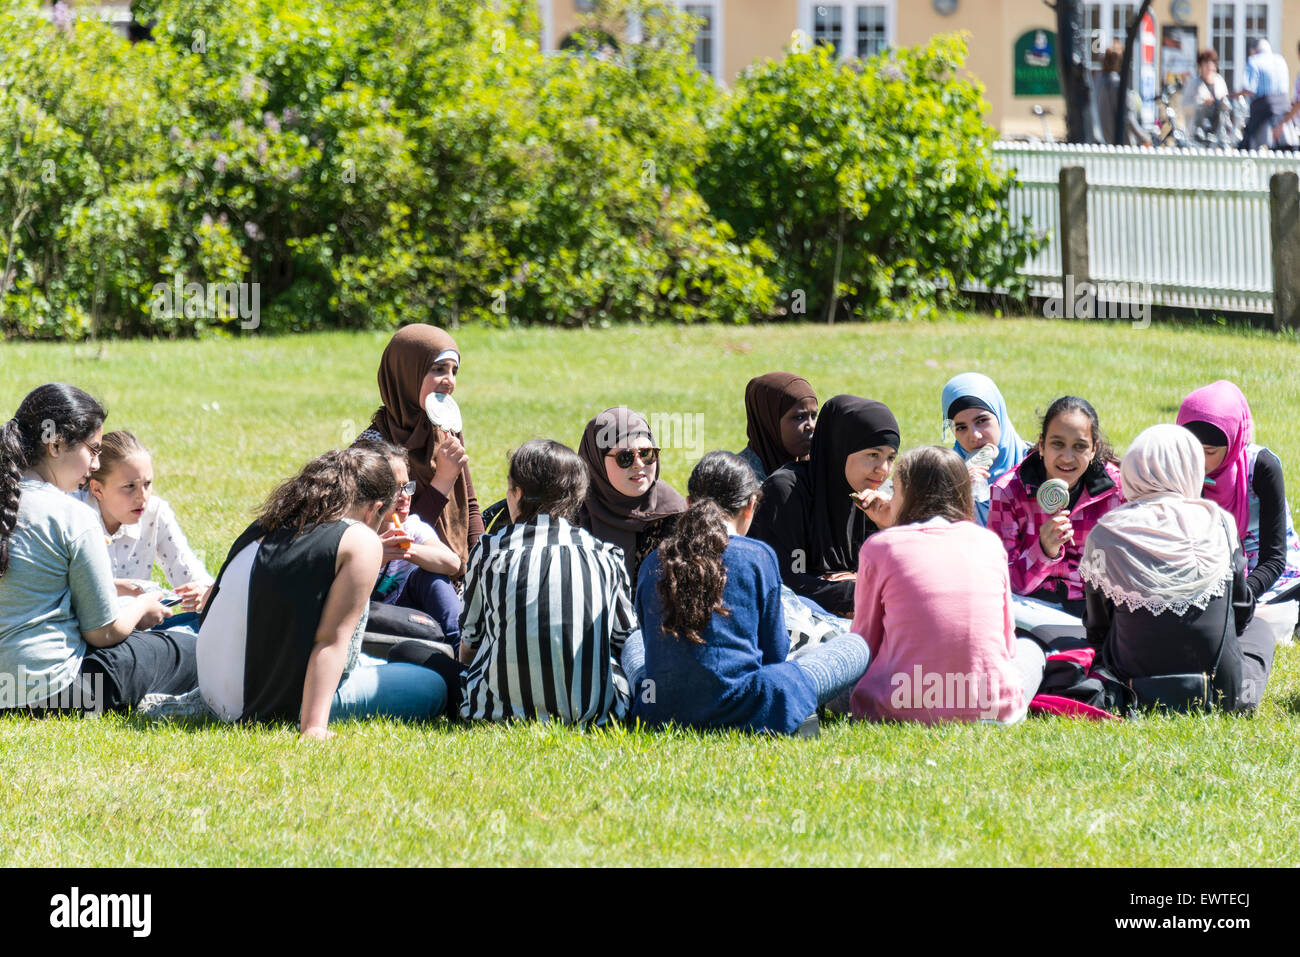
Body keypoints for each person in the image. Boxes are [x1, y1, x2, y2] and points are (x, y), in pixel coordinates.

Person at [197, 447, 450, 738]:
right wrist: (314, 728)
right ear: (373, 508)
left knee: (381, 664)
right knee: (430, 685)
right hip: (264, 703)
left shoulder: (270, 523)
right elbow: (331, 641)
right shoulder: (361, 540)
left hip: (212, 688)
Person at [625, 452, 870, 735]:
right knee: (856, 646)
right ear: (751, 505)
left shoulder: (654, 560)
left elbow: (649, 641)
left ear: (689, 504)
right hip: (746, 708)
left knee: (633, 641)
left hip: (659, 711)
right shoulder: (757, 556)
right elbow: (775, 653)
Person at [0, 384, 195, 713]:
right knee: (182, 649)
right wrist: (143, 606)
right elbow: (104, 632)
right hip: (53, 692)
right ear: (56, 444)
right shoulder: (72, 515)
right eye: (92, 450)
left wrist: (113, 588)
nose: (95, 464)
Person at [1080, 425, 1274, 711]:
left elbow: (1097, 627)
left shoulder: (1104, 534)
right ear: (1191, 468)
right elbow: (1241, 609)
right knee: (1260, 630)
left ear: (1132, 470)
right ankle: (1243, 700)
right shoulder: (1219, 523)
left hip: (1127, 687)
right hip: (1219, 688)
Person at [849, 446, 1045, 724]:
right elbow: (1006, 643)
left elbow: (863, 642)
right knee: (1032, 650)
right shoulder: (988, 543)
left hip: (898, 703)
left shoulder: (879, 547)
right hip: (990, 705)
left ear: (908, 493)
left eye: (896, 489)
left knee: (829, 659)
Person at [459, 440, 633, 725]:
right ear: (578, 495)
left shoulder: (490, 550)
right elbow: (625, 638)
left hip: (495, 712)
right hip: (593, 714)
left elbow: (470, 642)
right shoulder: (606, 555)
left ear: (516, 494)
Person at [748, 395, 899, 617]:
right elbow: (787, 582)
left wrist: (888, 528)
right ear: (839, 448)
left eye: (890, 458)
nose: (883, 469)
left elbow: (898, 579)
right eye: (873, 455)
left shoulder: (874, 499)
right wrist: (859, 589)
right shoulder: (788, 492)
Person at [1177, 380, 1300, 644]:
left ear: (1233, 444)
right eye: (1190, 448)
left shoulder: (1262, 467)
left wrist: (1241, 598)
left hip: (1267, 580)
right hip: (1207, 578)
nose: (1198, 460)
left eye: (1209, 452)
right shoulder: (1175, 466)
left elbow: (1275, 559)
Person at [357, 324, 481, 579]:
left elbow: (470, 504)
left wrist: (482, 560)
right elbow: (398, 533)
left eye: (454, 371)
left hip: (456, 571)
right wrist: (443, 480)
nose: (450, 381)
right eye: (438, 369)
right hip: (398, 581)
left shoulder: (446, 430)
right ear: (406, 373)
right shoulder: (372, 450)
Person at [987, 396, 1124, 617]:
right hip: (1031, 605)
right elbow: (1000, 581)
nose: (1067, 457)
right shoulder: (1008, 492)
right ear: (1041, 445)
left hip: (1097, 608)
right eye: (1057, 444)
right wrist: (1044, 550)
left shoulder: (1117, 492)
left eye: (1079, 446)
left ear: (1093, 450)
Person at [75, 430, 213, 613]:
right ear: (97, 489)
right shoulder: (74, 516)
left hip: (138, 631)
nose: (142, 497)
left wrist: (202, 590)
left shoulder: (155, 513)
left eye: (147, 484)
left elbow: (187, 569)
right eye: (129, 486)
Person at [354, 438, 462, 645]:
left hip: (405, 618)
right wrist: (376, 555)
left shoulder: (411, 527)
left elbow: (452, 563)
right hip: (361, 620)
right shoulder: (353, 532)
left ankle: (461, 650)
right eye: (394, 488)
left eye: (406, 486)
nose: (404, 496)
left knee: (430, 577)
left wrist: (406, 548)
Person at [576, 407, 686, 585]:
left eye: (647, 454)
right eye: (625, 457)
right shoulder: (571, 514)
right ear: (595, 462)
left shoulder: (675, 513)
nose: (638, 464)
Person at [940, 372, 1031, 526]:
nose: (974, 435)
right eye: (961, 427)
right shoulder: (944, 474)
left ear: (999, 415)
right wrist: (958, 491)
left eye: (982, 420)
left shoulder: (1034, 462)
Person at [735, 372, 818, 484]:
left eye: (813, 415)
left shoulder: (815, 467)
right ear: (768, 421)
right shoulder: (740, 480)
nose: (811, 426)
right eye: (799, 417)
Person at [1235, 37, 1291, 150]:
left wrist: (1234, 95)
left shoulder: (1254, 60)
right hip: (1284, 110)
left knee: (1248, 146)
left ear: (1254, 51)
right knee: (1284, 150)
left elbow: (1249, 89)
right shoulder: (1281, 59)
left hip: (1264, 109)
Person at [1095, 44, 1152, 146]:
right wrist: (1144, 138)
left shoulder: (1099, 80)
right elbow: (1128, 117)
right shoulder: (1116, 84)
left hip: (1105, 139)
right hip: (1122, 143)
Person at [1182, 48, 1230, 144]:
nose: (1209, 67)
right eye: (1206, 64)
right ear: (1201, 66)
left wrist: (1221, 103)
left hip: (1217, 130)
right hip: (1197, 130)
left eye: (1212, 64)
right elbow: (1184, 106)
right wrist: (1201, 103)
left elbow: (1227, 104)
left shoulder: (1220, 82)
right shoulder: (1193, 84)